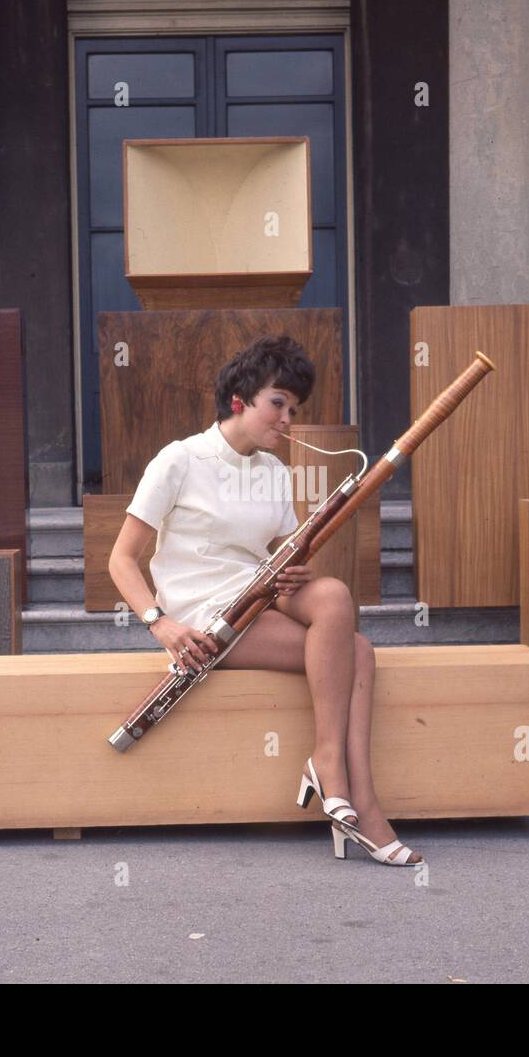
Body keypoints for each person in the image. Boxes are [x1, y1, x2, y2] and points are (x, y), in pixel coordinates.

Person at [108, 334, 422, 866]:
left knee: (333, 596)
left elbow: (282, 556)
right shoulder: (180, 460)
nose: (287, 419)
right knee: (360, 653)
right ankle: (359, 802)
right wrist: (160, 624)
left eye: (293, 409)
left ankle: (332, 772)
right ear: (240, 400)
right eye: (278, 403)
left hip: (257, 598)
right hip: (204, 614)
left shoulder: (275, 473)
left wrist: (296, 572)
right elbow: (121, 559)